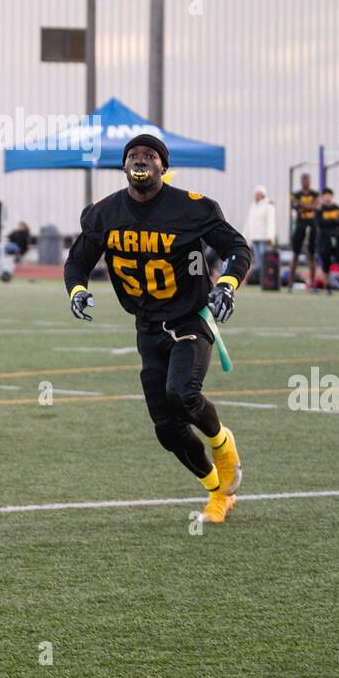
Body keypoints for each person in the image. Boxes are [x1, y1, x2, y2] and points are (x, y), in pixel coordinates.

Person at [64, 134, 251, 525]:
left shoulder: (191, 208)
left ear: (163, 167)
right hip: (147, 326)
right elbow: (77, 261)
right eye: (134, 154)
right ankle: (217, 490)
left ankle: (222, 443)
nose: (141, 159)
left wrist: (228, 285)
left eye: (150, 154)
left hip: (190, 318)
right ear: (123, 167)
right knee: (167, 430)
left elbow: (238, 247)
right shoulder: (104, 213)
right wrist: (77, 290)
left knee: (181, 392)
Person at [315, 188, 339, 293]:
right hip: (325, 239)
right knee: (326, 262)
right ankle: (327, 286)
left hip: (337, 238)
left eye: (329, 195)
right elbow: (320, 223)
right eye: (325, 195)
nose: (327, 197)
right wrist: (334, 221)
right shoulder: (319, 209)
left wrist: (329, 222)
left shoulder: (338, 208)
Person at [288, 173, 319, 289]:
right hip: (300, 224)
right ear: (301, 181)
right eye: (304, 180)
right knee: (295, 254)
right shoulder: (295, 194)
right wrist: (309, 206)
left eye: (308, 180)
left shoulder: (315, 193)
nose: (306, 182)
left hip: (313, 225)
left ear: (310, 181)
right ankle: (290, 284)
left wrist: (303, 206)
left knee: (312, 254)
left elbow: (316, 205)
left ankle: (312, 284)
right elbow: (294, 204)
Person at [242, 184, 276, 281]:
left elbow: (271, 222)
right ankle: (261, 279)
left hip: (265, 238)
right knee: (258, 261)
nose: (256, 195)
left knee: (265, 260)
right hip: (255, 237)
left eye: (258, 193)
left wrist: (271, 236)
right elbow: (249, 222)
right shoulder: (253, 206)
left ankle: (267, 279)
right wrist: (245, 237)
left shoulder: (269, 205)